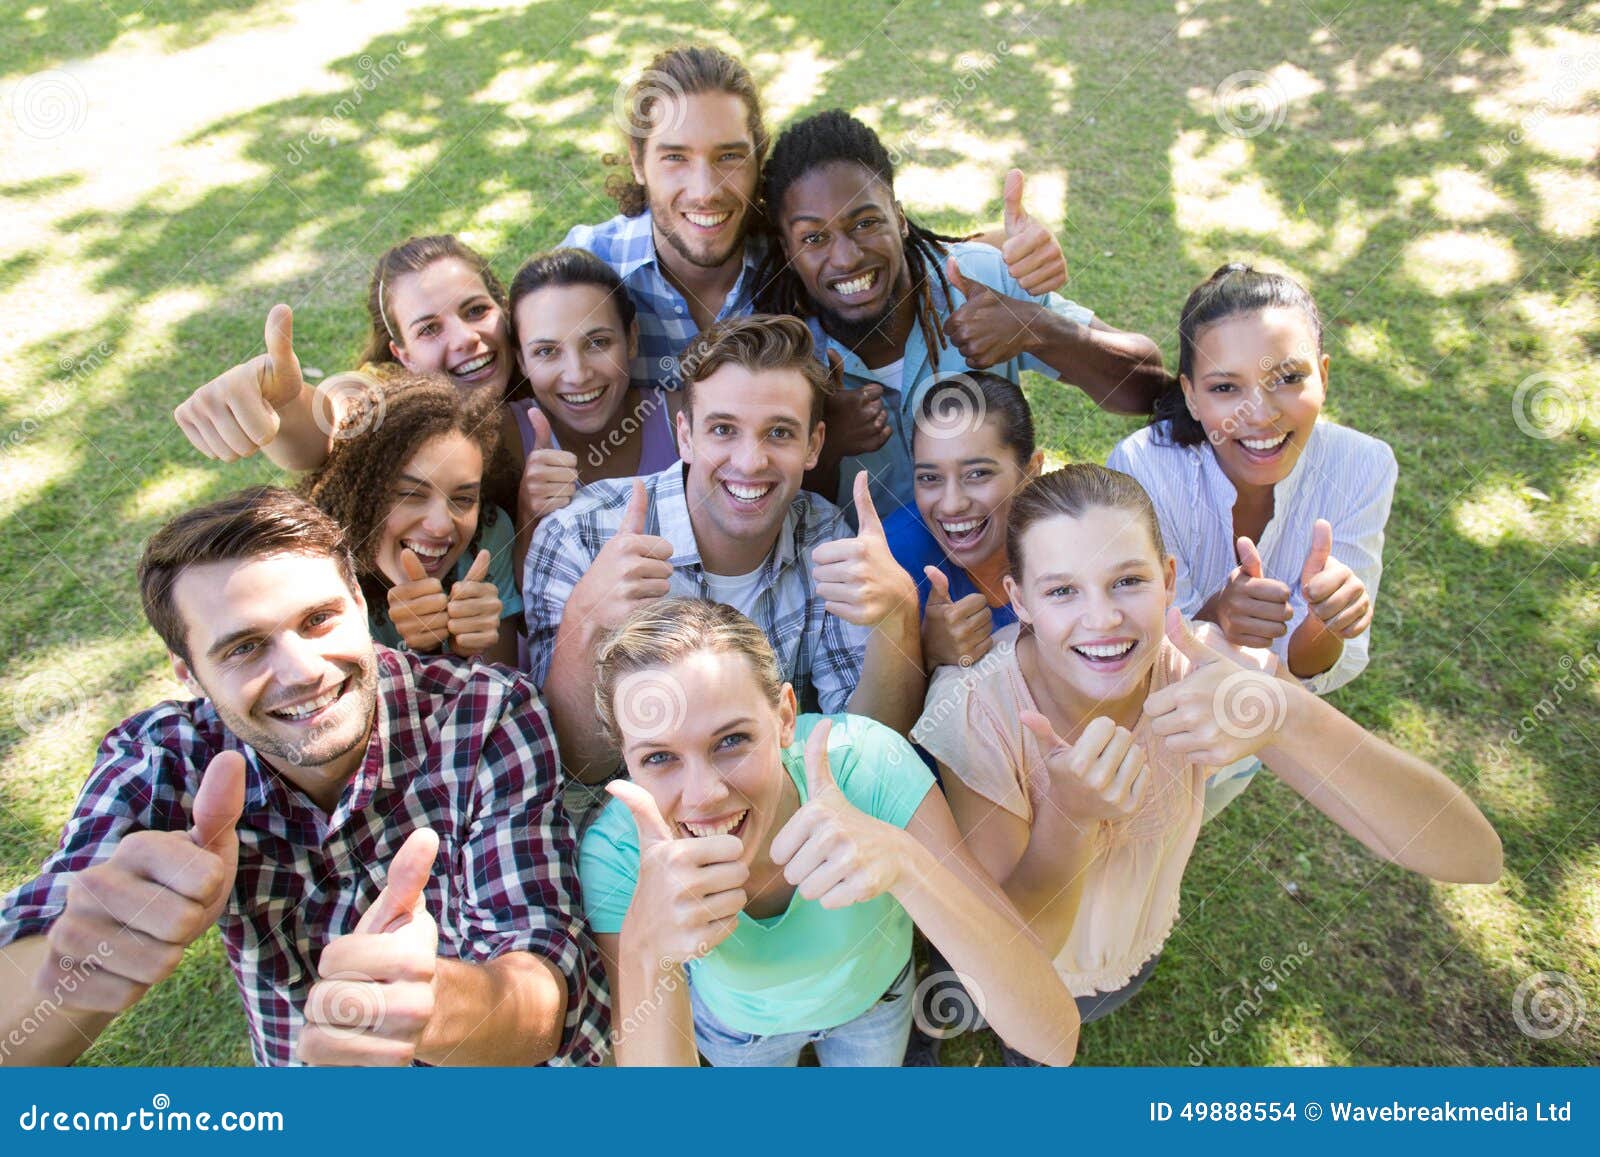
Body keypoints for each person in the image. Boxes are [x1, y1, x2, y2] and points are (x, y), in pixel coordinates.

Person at [0, 488, 606, 1066]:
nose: (302, 671)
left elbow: (546, 999)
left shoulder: (484, 712)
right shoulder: (166, 758)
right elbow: (27, 985)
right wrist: (78, 964)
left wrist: (427, 1007)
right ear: (188, 674)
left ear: (360, 605)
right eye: (244, 647)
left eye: (318, 619)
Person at [916, 465, 1501, 1062]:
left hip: (1130, 947)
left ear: (1168, 580)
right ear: (1020, 600)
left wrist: (1287, 714)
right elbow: (1018, 949)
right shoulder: (976, 710)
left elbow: (1472, 855)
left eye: (1128, 581)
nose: (1102, 619)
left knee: (1077, 1017)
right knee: (1001, 1023)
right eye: (1062, 591)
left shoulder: (1206, 674)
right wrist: (1070, 819)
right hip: (1013, 968)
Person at [578, 597, 1081, 1066]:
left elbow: (1053, 1037)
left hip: (875, 1002)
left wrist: (907, 863)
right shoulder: (619, 854)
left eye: (731, 741)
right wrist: (647, 951)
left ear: (784, 717)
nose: (704, 793)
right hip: (740, 1031)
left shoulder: (868, 765)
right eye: (659, 758)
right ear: (626, 760)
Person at [523, 314, 924, 796]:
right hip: (631, 823)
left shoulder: (825, 539)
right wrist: (586, 620)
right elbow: (579, 767)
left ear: (813, 445)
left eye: (779, 433)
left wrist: (898, 618)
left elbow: (873, 758)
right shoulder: (578, 535)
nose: (750, 462)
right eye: (723, 430)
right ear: (685, 436)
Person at [564, 44, 1070, 399]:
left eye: (729, 157)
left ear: (758, 161)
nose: (706, 190)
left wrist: (1010, 251)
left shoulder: (794, 254)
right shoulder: (589, 272)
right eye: (675, 157)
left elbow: (897, 246)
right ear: (637, 161)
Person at [756, 109, 1169, 518]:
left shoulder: (978, 281)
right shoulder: (783, 354)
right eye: (814, 238)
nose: (846, 258)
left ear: (899, 218)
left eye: (865, 223)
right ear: (787, 249)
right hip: (870, 560)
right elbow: (767, 517)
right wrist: (825, 448)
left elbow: (1148, 387)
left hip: (1002, 550)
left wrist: (1036, 327)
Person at [1107, 263, 1396, 816]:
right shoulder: (1144, 467)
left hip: (1249, 731)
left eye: (1288, 378)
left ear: (1323, 375)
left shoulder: (1363, 466)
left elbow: (1310, 673)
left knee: (1199, 808)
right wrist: (1215, 616)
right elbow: (1130, 643)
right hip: (1144, 719)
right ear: (1192, 397)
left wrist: (1325, 622)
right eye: (1225, 388)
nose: (1260, 414)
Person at [301, 372, 522, 667]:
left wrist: (464, 652)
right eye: (411, 495)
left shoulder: (488, 534)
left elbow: (505, 685)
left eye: (463, 499)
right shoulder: (316, 570)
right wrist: (417, 653)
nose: (441, 526)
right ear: (362, 495)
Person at [506, 247, 681, 558]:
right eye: (546, 352)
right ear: (521, 361)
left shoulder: (681, 420)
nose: (578, 375)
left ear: (631, 339)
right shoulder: (508, 440)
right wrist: (528, 515)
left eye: (598, 343)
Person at [885, 370, 1043, 671]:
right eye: (929, 478)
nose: (952, 504)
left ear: (1031, 471)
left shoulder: (1068, 543)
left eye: (977, 474)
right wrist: (926, 654)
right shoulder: (893, 562)